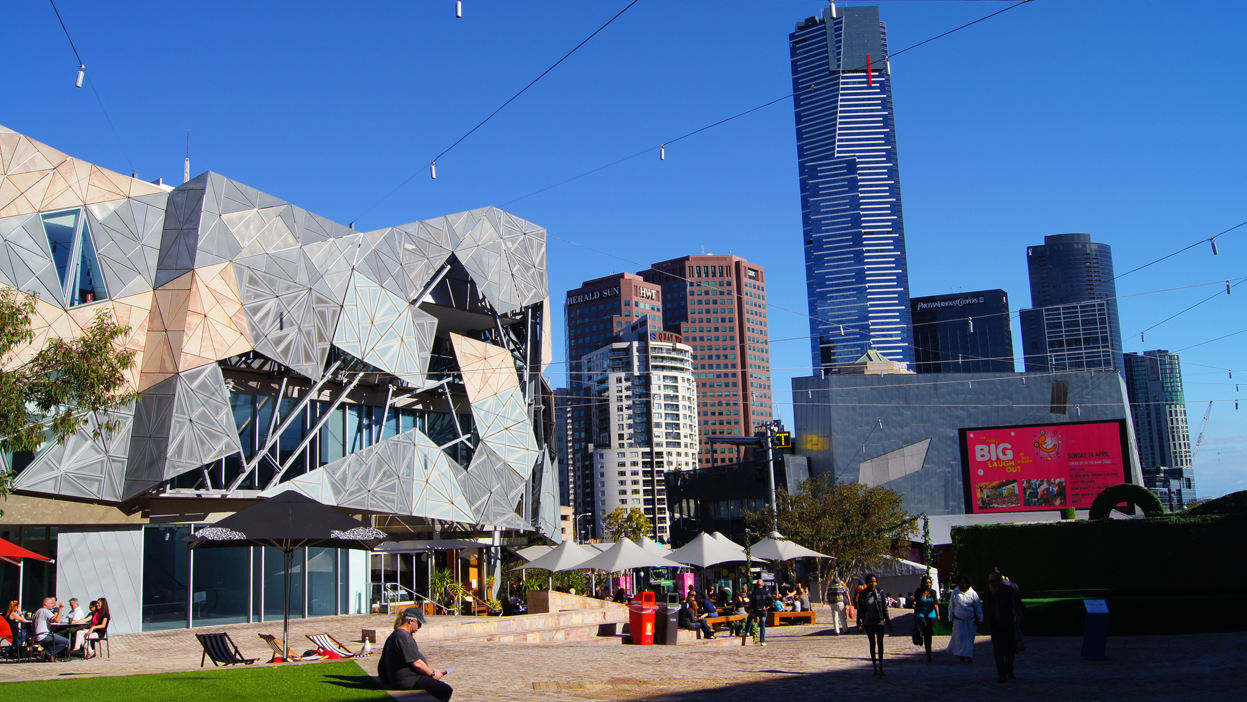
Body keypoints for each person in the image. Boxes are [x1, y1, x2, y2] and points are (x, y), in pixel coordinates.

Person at [378, 607, 453, 701]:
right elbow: (417, 664)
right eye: (419, 623)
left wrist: (431, 670)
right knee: (445, 690)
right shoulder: (403, 637)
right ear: (411, 621)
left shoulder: (396, 635)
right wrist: (432, 674)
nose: (419, 627)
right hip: (407, 680)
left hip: (402, 679)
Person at [855, 574, 892, 676]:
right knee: (872, 643)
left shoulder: (880, 592)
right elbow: (860, 609)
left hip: (879, 621)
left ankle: (880, 667)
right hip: (868, 621)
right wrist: (859, 623)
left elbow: (884, 608)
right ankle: (874, 667)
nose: (873, 583)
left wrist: (888, 622)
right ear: (867, 583)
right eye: (871, 581)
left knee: (880, 643)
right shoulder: (863, 594)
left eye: (875, 581)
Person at [984, 572, 1018, 683]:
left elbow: (1008, 603)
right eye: (989, 581)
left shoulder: (1008, 590)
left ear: (999, 581)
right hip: (995, 625)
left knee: (1010, 650)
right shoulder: (988, 592)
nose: (991, 584)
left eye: (992, 581)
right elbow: (986, 607)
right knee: (998, 651)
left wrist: (997, 593)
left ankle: (1009, 670)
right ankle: (1001, 674)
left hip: (1007, 624)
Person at [947, 575, 983, 663]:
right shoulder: (955, 592)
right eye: (960, 583)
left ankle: (969, 656)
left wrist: (980, 618)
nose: (962, 585)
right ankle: (962, 655)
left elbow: (978, 607)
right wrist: (950, 619)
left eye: (964, 583)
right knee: (961, 638)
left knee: (969, 639)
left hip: (970, 620)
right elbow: (951, 607)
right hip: (959, 620)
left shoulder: (973, 593)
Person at [32, 597, 69, 661]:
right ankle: (48, 653)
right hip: (44, 635)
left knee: (57, 635)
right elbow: (57, 620)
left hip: (36, 635)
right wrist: (60, 608)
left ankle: (49, 654)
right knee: (66, 641)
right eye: (51, 603)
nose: (53, 605)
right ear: (46, 604)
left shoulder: (38, 611)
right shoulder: (46, 611)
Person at [913, 576, 940, 662]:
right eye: (926, 583)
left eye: (929, 583)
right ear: (923, 584)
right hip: (921, 613)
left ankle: (929, 653)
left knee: (929, 633)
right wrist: (914, 617)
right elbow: (917, 605)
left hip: (931, 614)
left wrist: (938, 615)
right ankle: (927, 650)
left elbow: (936, 604)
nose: (928, 584)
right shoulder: (918, 592)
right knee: (925, 630)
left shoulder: (933, 593)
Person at [741, 579, 774, 646]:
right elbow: (771, 601)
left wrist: (753, 607)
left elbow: (751, 601)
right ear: (762, 585)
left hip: (756, 610)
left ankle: (747, 631)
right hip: (763, 610)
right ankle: (762, 641)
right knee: (762, 626)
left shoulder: (754, 592)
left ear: (756, 585)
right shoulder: (765, 592)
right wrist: (766, 606)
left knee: (749, 618)